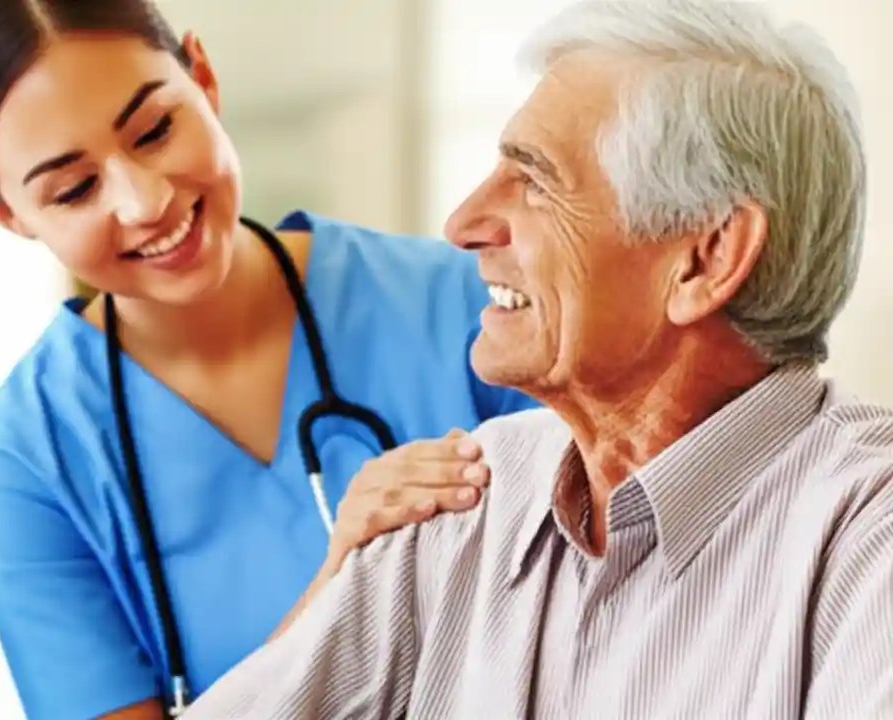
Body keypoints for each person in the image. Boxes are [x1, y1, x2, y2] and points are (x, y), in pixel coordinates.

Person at [184, 0, 893, 717]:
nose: (462, 225)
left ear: (707, 257)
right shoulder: (465, 494)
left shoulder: (868, 537)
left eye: (537, 182)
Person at [0, 1, 539, 718]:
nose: (146, 201)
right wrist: (340, 588)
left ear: (203, 78)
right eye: (75, 189)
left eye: (155, 130)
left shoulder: (470, 303)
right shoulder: (24, 460)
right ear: (6, 214)